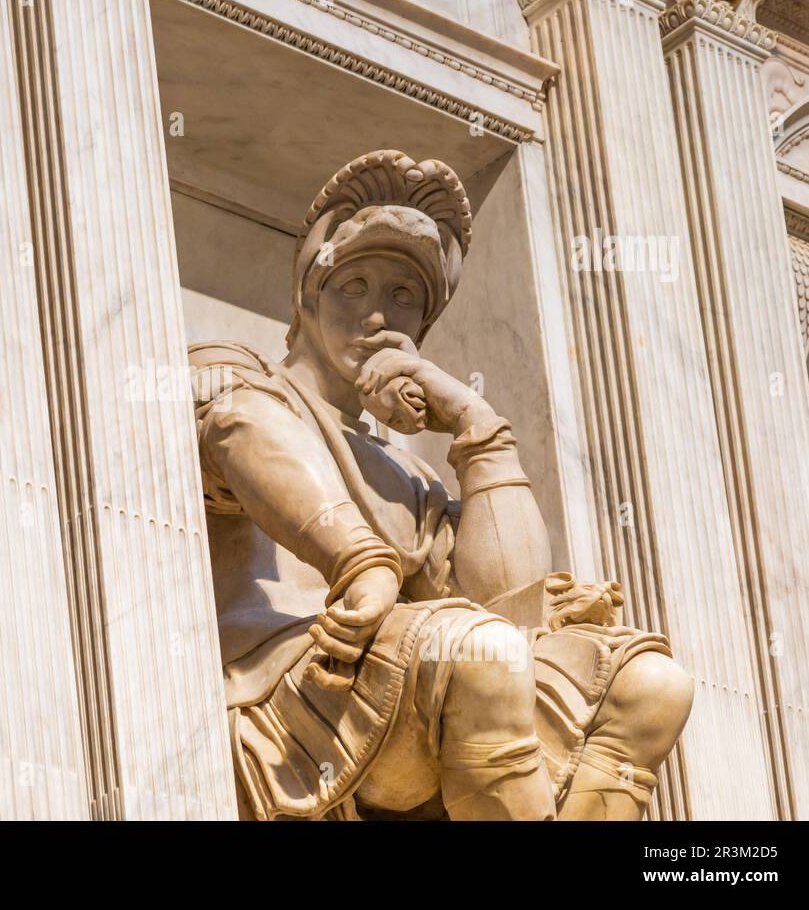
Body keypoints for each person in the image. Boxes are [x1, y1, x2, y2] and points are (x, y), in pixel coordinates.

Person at [189, 150, 693, 820]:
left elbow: (501, 598)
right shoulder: (235, 377)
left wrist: (476, 425)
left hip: (400, 689)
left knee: (650, 682)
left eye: (403, 297)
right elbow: (238, 428)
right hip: (277, 689)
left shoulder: (410, 475)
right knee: (476, 650)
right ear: (308, 296)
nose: (377, 317)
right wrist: (360, 562)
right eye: (354, 286)